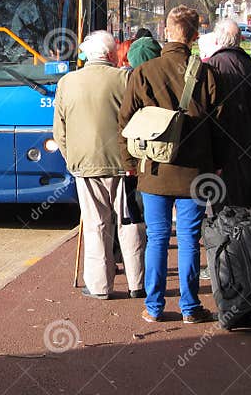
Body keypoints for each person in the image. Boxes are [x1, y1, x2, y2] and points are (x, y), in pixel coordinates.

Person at [118, 5, 222, 324]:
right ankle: (190, 307)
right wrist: (216, 164)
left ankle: (154, 306)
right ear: (194, 36)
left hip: (154, 169)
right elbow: (220, 125)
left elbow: (125, 120)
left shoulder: (144, 72)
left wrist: (130, 162)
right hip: (194, 172)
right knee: (190, 238)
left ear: (166, 31)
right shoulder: (205, 73)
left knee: (158, 238)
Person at [53, 31, 146, 300]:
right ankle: (136, 283)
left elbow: (59, 131)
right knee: (130, 223)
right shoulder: (125, 78)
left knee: (96, 226)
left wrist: (72, 159)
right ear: (109, 54)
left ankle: (99, 286)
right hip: (123, 164)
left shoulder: (67, 82)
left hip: (85, 165)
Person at [206, 18, 251, 210]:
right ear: (239, 40)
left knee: (218, 206)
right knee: (242, 204)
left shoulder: (209, 68)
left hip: (216, 151)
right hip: (246, 147)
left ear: (217, 39)